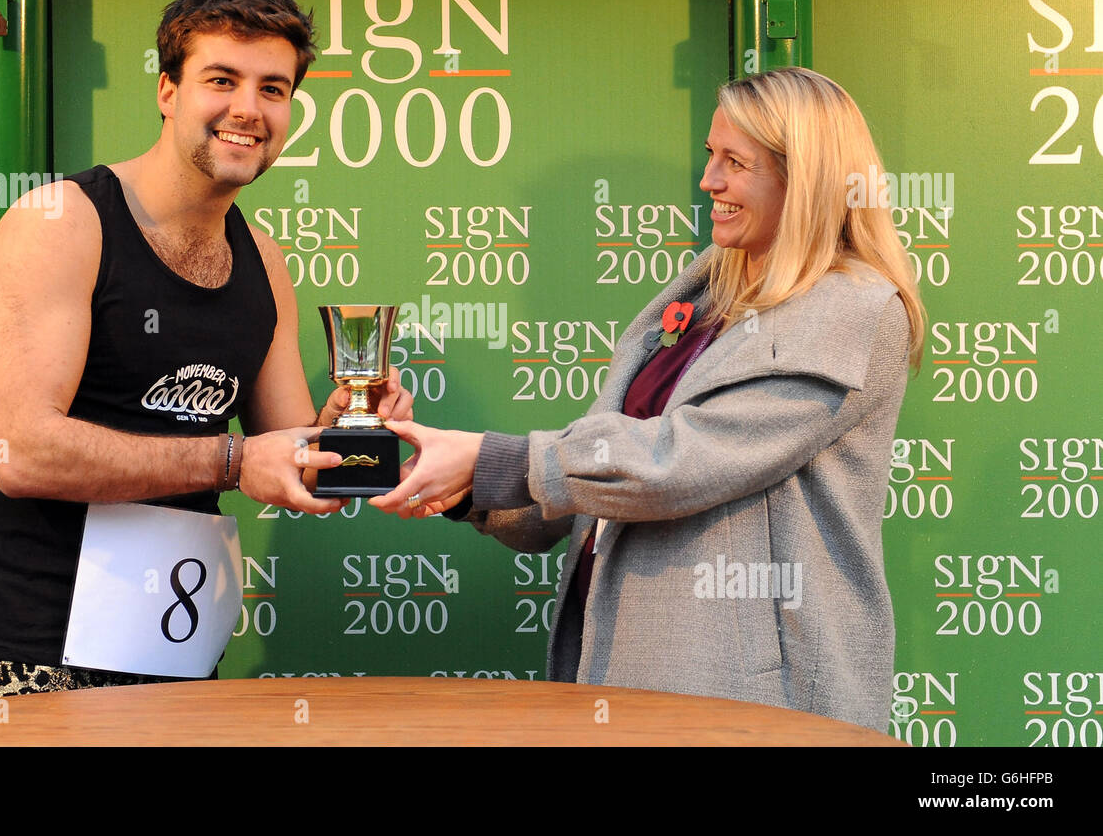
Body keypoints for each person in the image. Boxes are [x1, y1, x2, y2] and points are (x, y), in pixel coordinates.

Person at [371, 67, 924, 731]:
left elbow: (685, 460)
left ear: (801, 179)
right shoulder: (703, 293)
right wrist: (458, 480)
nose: (708, 181)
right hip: (628, 677)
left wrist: (496, 459)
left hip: (757, 706)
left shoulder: (854, 310)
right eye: (711, 156)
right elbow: (608, 474)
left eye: (734, 163)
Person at [0, 0, 411, 700]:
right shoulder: (62, 223)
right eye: (221, 79)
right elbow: (22, 453)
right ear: (167, 91)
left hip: (178, 654)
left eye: (274, 89)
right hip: (37, 655)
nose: (247, 110)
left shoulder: (266, 261)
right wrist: (231, 460)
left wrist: (352, 431)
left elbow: (290, 457)